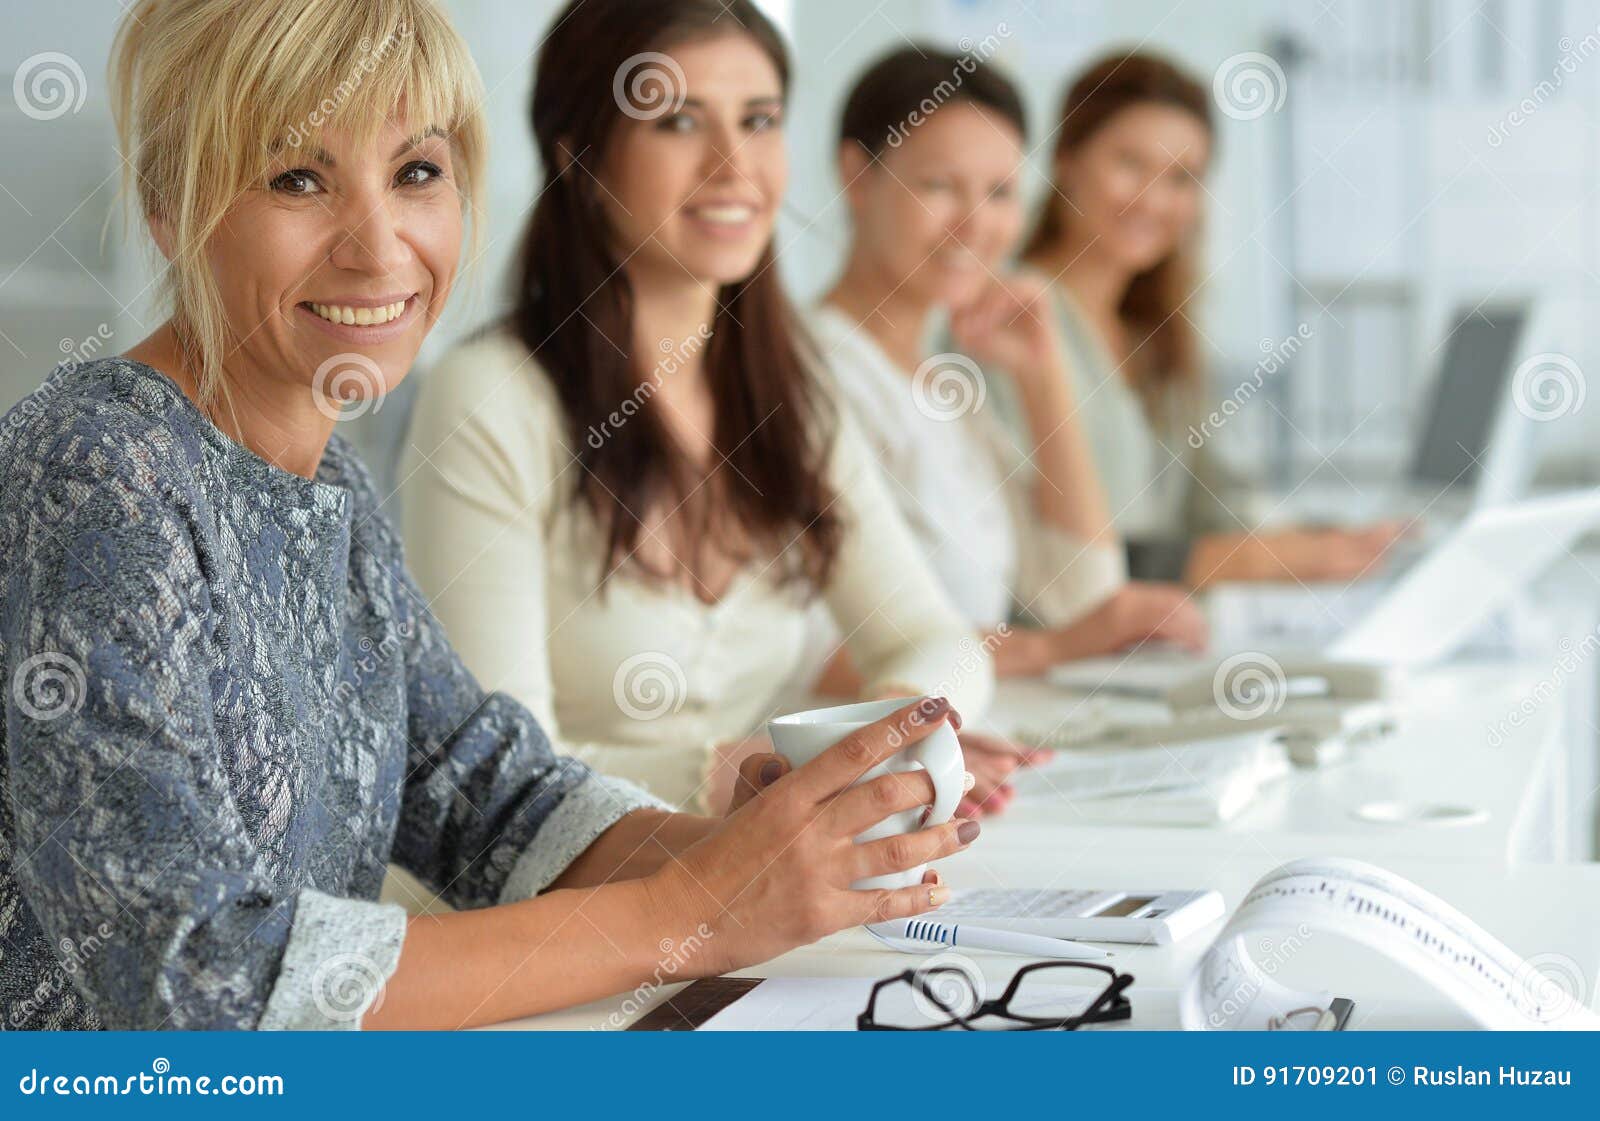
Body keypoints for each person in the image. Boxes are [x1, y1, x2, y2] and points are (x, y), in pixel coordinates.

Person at [0, 0, 975, 1032]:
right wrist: (694, 907)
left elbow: (487, 794)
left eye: (416, 172)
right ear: (168, 202)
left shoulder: (329, 485)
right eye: (297, 178)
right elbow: (193, 973)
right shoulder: (95, 467)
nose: (379, 248)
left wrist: (753, 847)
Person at [401, 0, 1011, 817]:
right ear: (578, 155)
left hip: (757, 886)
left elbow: (938, 642)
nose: (734, 166)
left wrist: (892, 731)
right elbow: (498, 779)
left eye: (759, 120)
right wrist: (756, 771)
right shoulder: (491, 397)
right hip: (568, 914)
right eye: (678, 121)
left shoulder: (792, 387)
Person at [804, 47, 1208, 695]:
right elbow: (824, 654)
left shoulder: (945, 384)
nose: (975, 224)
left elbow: (1080, 592)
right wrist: (1053, 648)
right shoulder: (811, 372)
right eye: (939, 186)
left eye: (999, 192)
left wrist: (1044, 379)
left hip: (979, 732)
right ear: (858, 176)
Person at [1021, 51, 1404, 587]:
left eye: (1181, 178)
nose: (1154, 201)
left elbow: (1212, 502)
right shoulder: (1011, 320)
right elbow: (1035, 557)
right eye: (1130, 164)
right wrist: (1250, 560)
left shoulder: (1150, 333)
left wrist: (1327, 540)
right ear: (1066, 159)